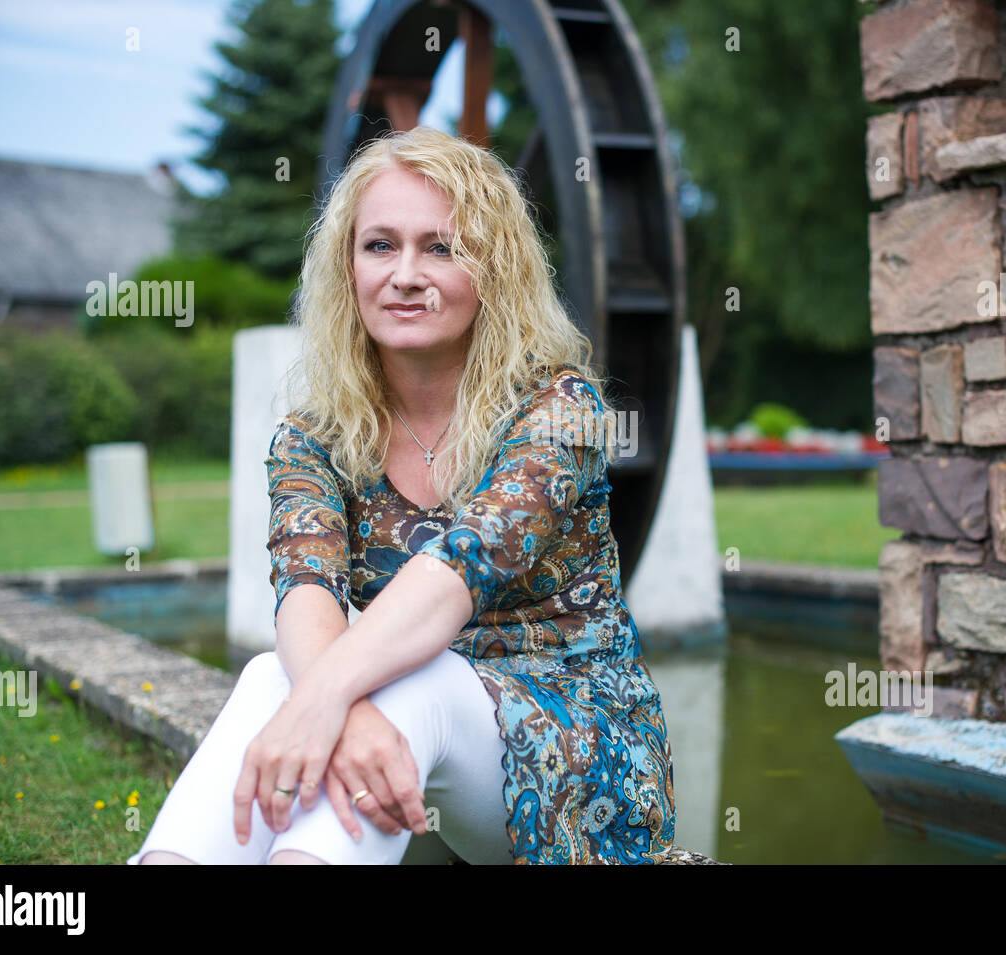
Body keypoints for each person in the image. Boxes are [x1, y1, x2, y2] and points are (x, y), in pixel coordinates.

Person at [129, 125, 711, 865]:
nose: (405, 273)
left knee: (398, 683)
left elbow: (454, 577)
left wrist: (324, 704)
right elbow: (305, 587)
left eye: (441, 247)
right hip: (417, 727)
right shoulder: (314, 435)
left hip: (581, 752)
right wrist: (342, 708)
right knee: (268, 674)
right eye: (380, 245)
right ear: (347, 267)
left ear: (494, 270)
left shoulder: (560, 411)